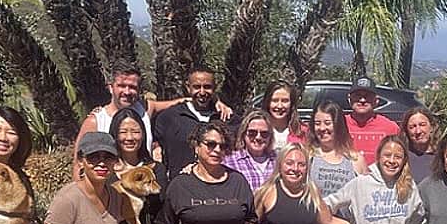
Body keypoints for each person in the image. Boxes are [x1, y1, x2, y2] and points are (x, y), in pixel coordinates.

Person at [75, 61, 230, 155]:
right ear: (110, 87)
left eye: (132, 87)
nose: (127, 92)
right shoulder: (96, 121)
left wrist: (215, 100)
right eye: (121, 86)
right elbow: (79, 161)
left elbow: (185, 100)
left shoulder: (144, 109)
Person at [153, 68, 226, 181]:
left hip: (218, 187)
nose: (202, 92)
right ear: (188, 87)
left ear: (214, 88)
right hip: (181, 187)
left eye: (207, 87)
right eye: (197, 87)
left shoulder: (225, 118)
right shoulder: (169, 117)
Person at [345, 76, 400, 165]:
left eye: (367, 96)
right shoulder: (338, 125)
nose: (362, 100)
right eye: (357, 95)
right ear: (349, 99)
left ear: (376, 100)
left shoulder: (391, 128)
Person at [261, 80, 308, 154]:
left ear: (291, 104)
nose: (279, 106)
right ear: (267, 102)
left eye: (285, 101)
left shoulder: (303, 131)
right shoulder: (256, 131)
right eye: (275, 100)